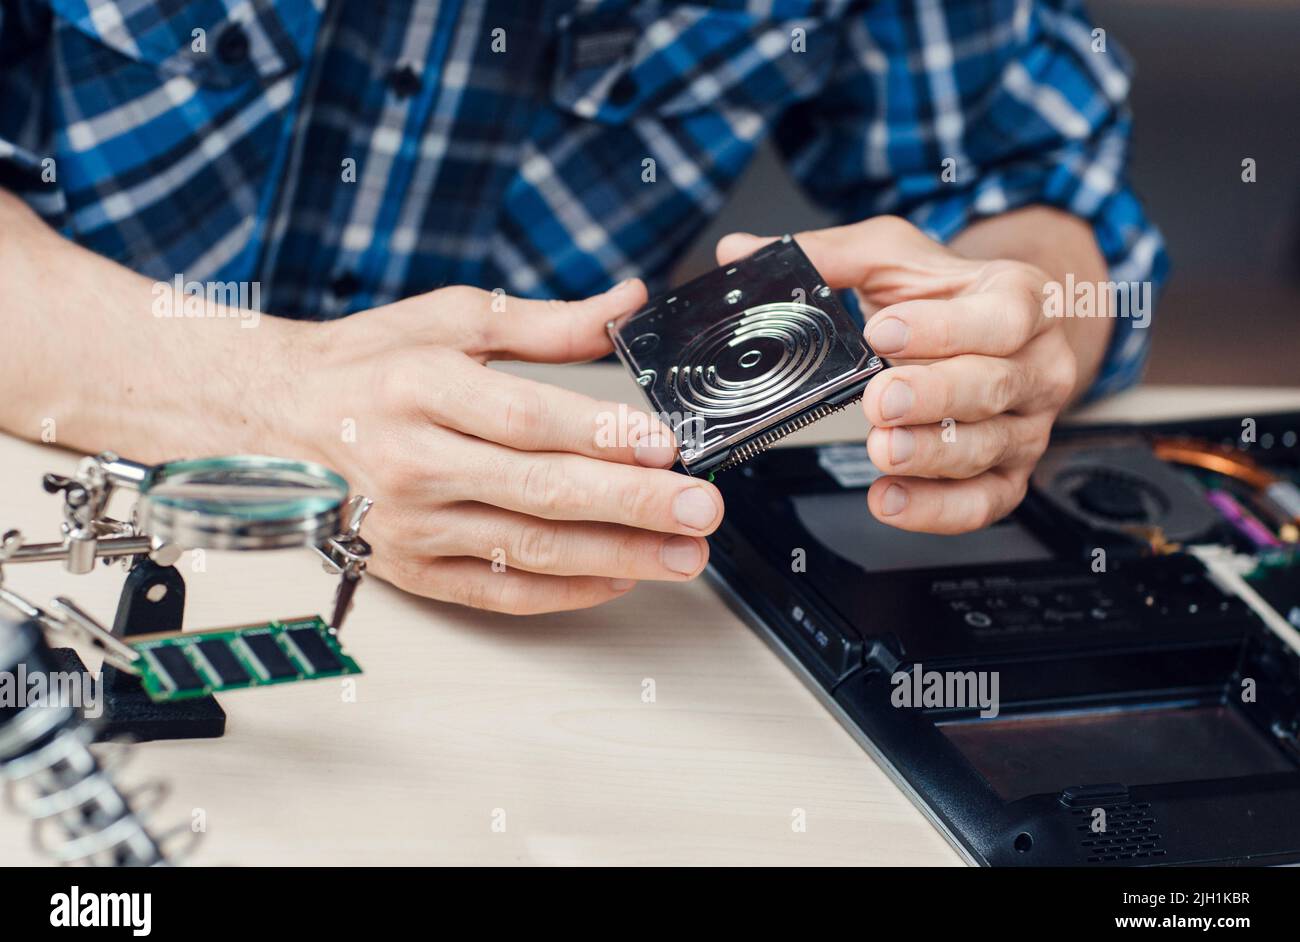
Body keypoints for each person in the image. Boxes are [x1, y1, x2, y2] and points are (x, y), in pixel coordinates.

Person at [0, 0, 1165, 613]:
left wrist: (1011, 335)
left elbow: (1042, 194)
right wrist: (264, 400)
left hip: (572, 609)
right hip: (69, 515)